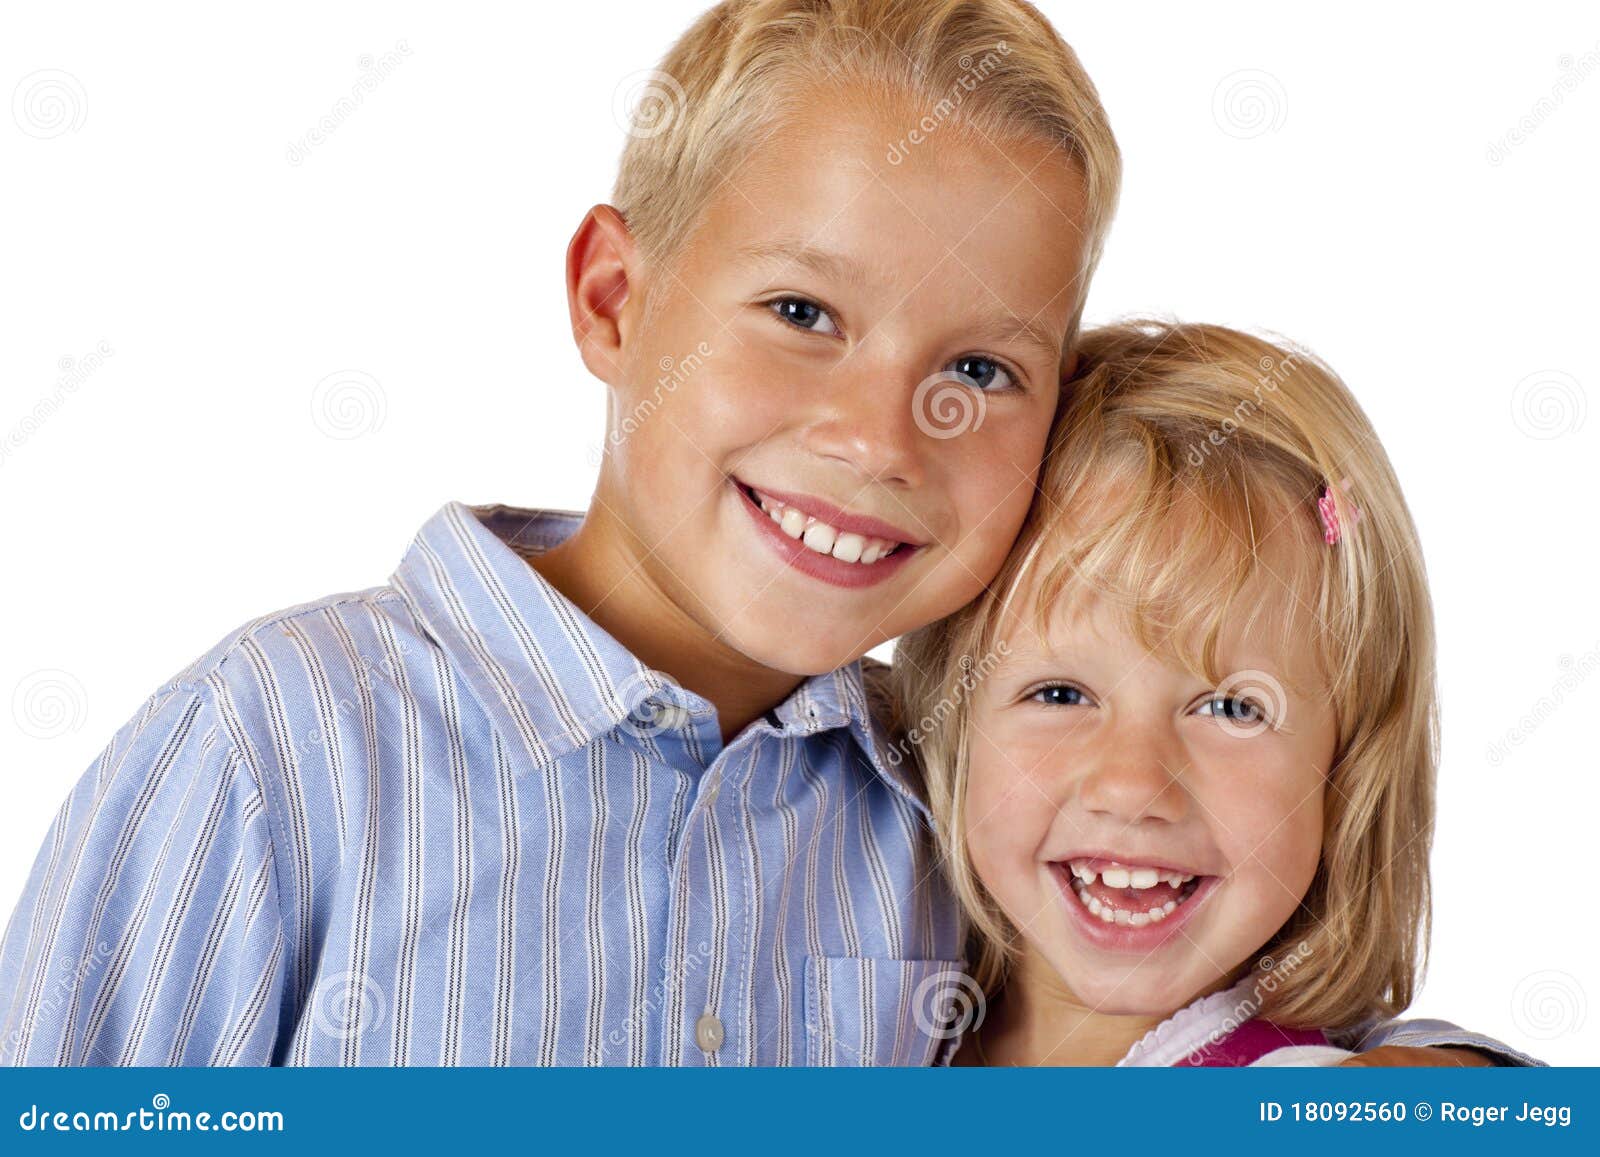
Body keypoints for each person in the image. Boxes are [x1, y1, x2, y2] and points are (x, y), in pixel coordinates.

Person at [891, 319, 1544, 1066]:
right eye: (1061, 695)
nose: (1133, 787)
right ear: (952, 718)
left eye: (1233, 708)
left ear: (1346, 767)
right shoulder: (874, 1022)